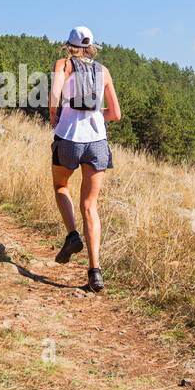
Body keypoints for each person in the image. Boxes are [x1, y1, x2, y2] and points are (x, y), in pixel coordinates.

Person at [49, 26, 122, 293]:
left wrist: (54, 112)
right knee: (90, 206)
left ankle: (72, 235)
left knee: (60, 187)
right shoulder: (103, 71)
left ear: (68, 45)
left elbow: (56, 93)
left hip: (68, 137)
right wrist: (95, 111)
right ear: (92, 47)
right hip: (97, 142)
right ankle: (95, 271)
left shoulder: (63, 64)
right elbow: (115, 114)